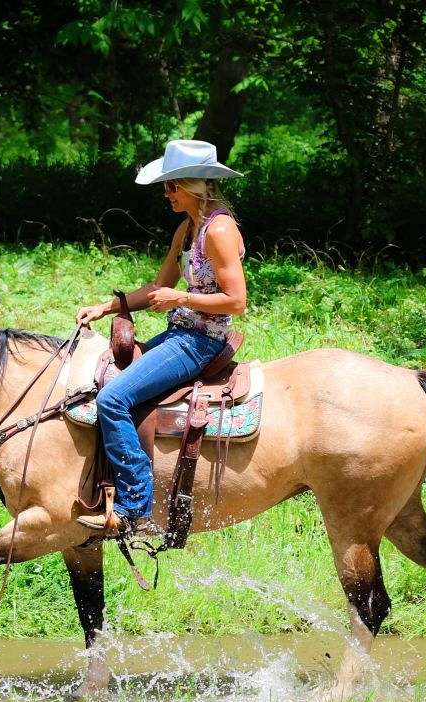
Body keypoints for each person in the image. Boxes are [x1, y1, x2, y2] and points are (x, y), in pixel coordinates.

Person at [75, 140, 247, 538]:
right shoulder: (188, 229)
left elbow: (236, 300)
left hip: (199, 341)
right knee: (107, 377)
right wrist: (108, 306)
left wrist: (182, 298)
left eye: (172, 186)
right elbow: (159, 285)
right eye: (165, 187)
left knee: (113, 399)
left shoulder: (219, 229)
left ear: (193, 185)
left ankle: (136, 507)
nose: (166, 194)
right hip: (179, 332)